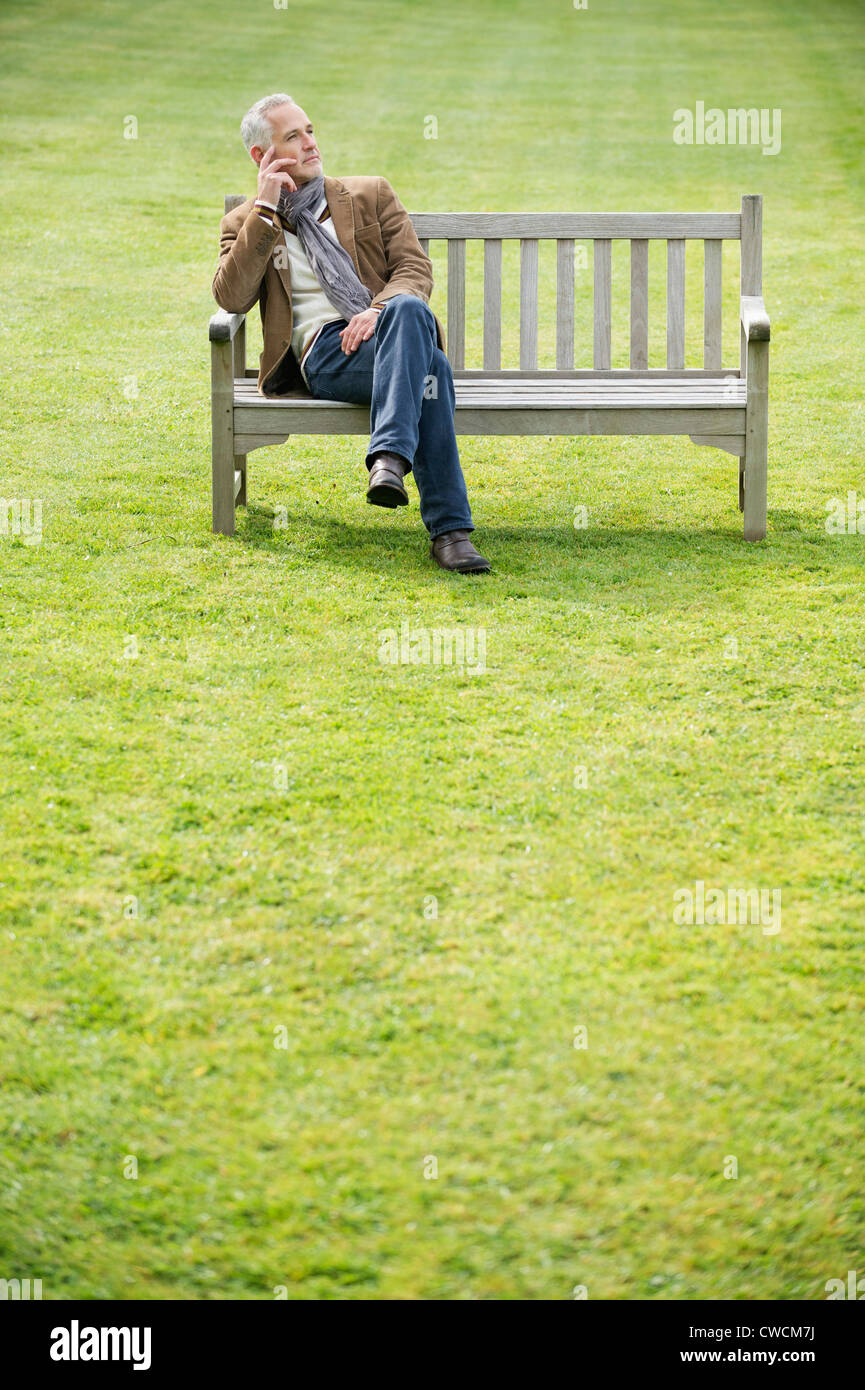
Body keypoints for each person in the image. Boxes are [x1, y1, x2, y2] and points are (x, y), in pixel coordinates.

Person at [212, 93, 491, 574]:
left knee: (407, 310)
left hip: (390, 334)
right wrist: (264, 209)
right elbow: (231, 297)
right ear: (262, 156)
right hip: (327, 356)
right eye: (292, 137)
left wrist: (377, 309)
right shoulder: (245, 223)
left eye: (310, 131)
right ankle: (450, 533)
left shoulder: (370, 193)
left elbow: (413, 268)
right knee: (432, 368)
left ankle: (389, 459)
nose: (309, 144)